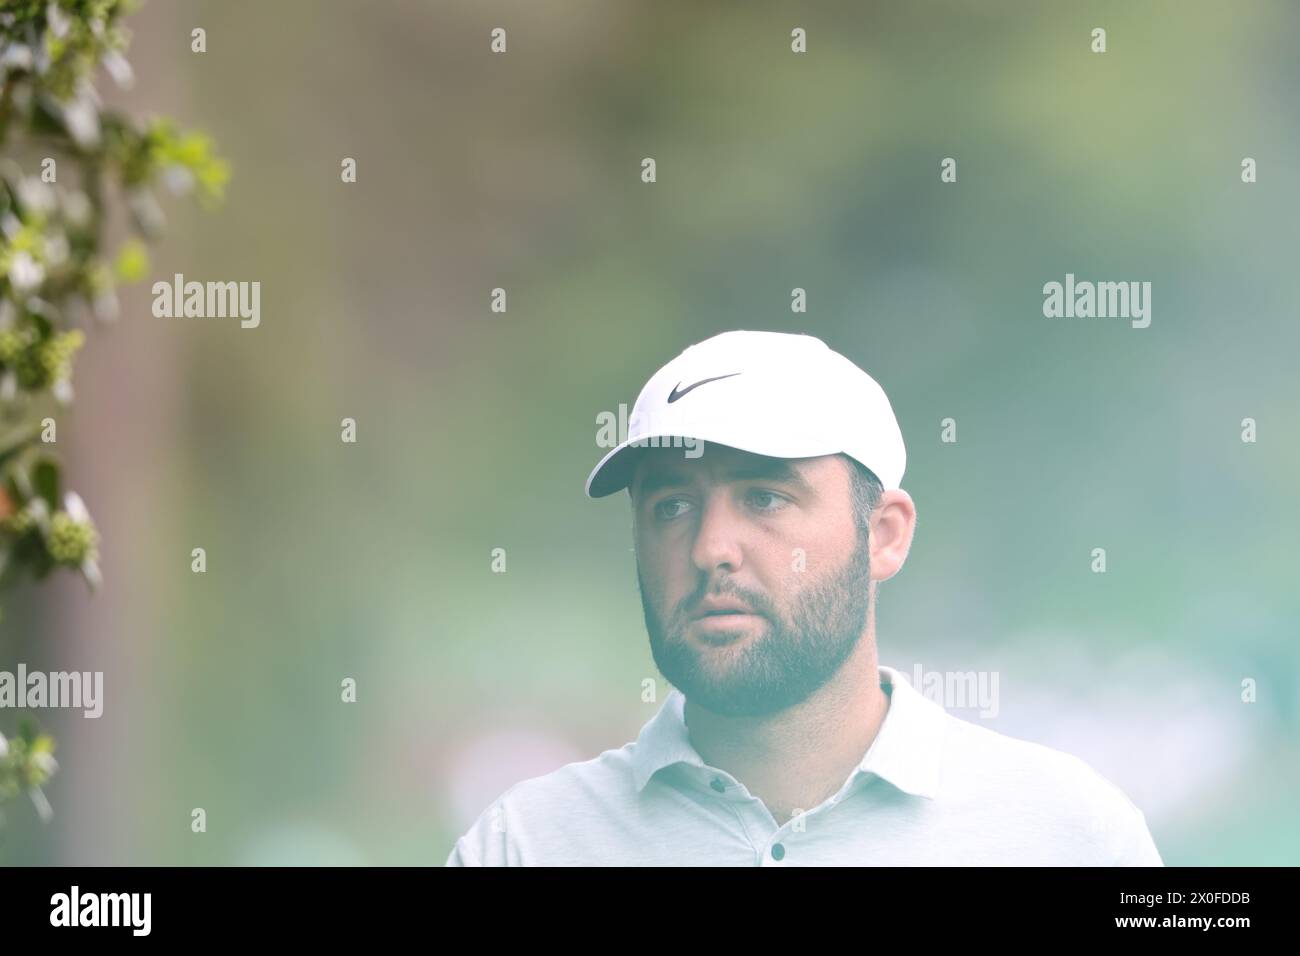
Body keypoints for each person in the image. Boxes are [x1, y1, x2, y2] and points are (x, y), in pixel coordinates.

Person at [445, 330, 1163, 866]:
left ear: (882, 535)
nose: (709, 548)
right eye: (670, 506)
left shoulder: (1066, 835)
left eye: (764, 496)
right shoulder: (526, 845)